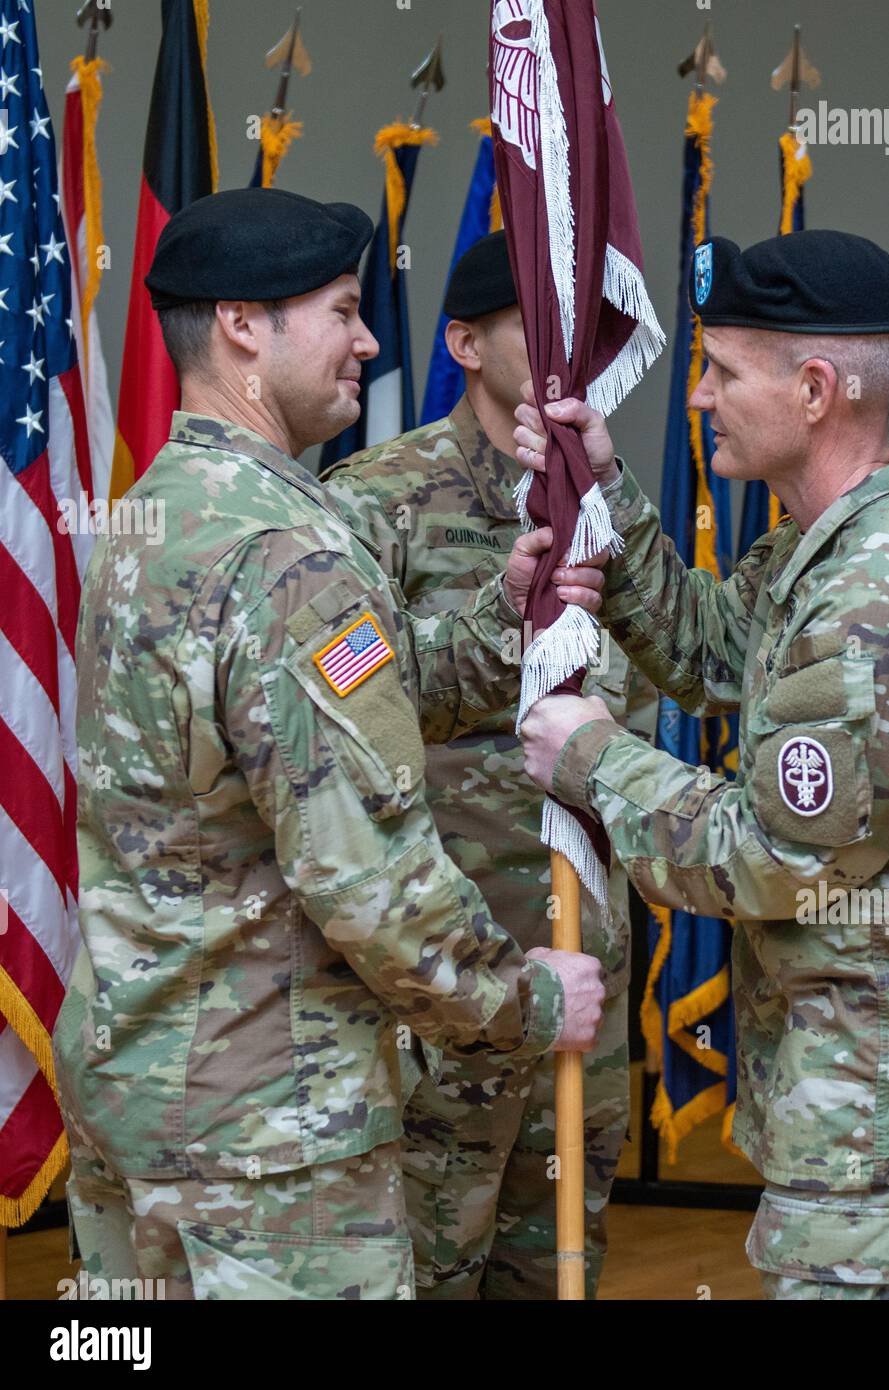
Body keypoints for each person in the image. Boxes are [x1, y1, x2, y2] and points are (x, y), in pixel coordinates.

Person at [53, 188, 607, 1302]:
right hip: (268, 1137)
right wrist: (527, 997)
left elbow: (309, 728)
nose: (368, 340)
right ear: (245, 326)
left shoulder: (156, 514)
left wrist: (508, 626)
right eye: (345, 310)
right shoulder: (289, 554)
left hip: (134, 1088)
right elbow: (368, 871)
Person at [516, 229, 889, 1301]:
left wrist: (593, 760)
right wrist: (611, 491)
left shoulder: (875, 598)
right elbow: (714, 648)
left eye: (723, 372)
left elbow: (771, 857)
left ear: (815, 389)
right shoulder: (837, 546)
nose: (702, 398)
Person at [322, 230, 657, 1300]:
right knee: (433, 1257)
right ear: (463, 341)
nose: (573, 349)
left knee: (555, 1261)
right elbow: (346, 718)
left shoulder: (609, 499)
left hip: (584, 958)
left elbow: (648, 697)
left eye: (586, 326)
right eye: (540, 325)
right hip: (450, 973)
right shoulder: (377, 497)